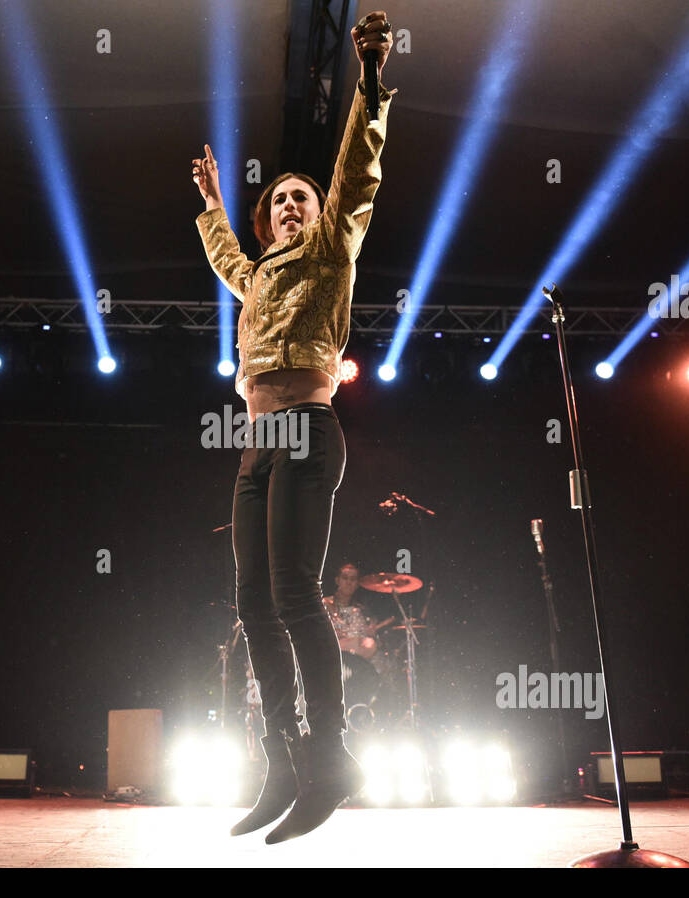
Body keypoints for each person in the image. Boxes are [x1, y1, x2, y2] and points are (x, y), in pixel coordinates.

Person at [192, 11, 394, 843]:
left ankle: (333, 757)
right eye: (275, 199)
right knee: (249, 601)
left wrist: (370, 79)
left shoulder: (331, 248)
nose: (286, 206)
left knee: (291, 594)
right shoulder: (262, 275)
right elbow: (229, 261)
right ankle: (284, 760)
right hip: (257, 442)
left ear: (317, 212)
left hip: (309, 428)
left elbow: (355, 172)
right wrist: (212, 206)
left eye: (298, 197)